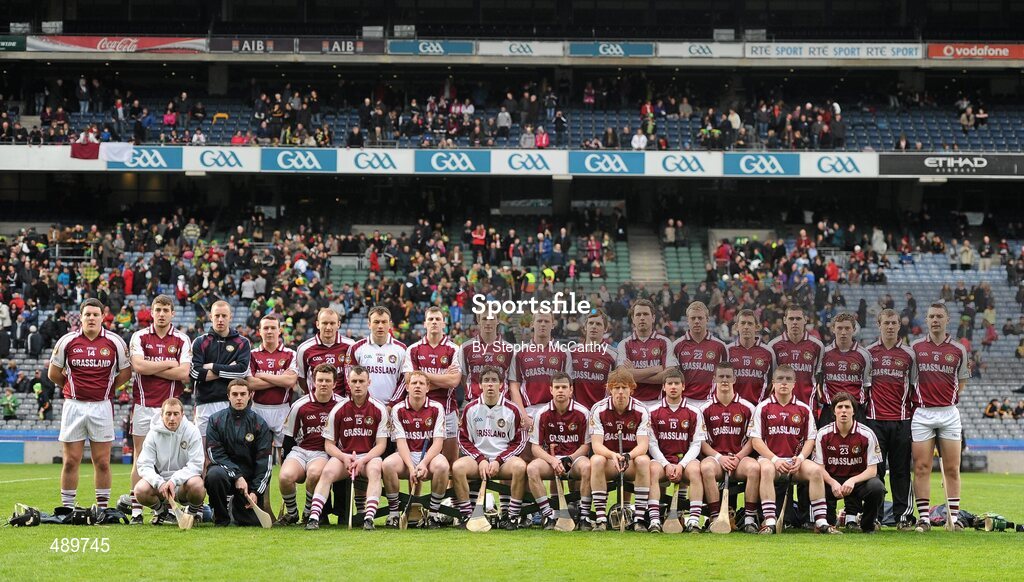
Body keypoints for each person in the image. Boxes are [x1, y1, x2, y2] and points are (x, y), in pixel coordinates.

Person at [49, 298, 132, 510]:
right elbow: (53, 373)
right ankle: (67, 508)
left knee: (102, 461)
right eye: (88, 315)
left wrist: (109, 389)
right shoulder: (67, 341)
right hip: (74, 406)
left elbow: (126, 373)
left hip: (102, 406)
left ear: (103, 317)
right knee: (70, 461)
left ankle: (102, 508)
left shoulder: (115, 342)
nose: (92, 318)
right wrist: (70, 388)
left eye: (96, 314)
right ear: (81, 317)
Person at [749, 365, 840, 534]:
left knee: (815, 471)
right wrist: (775, 460)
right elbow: (756, 441)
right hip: (771, 460)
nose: (784, 383)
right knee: (767, 469)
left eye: (788, 380)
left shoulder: (803, 409)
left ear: (794, 384)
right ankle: (769, 521)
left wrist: (801, 458)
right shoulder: (763, 407)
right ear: (773, 383)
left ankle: (821, 521)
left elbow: (810, 439)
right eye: (780, 379)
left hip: (795, 461)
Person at [126, 294, 192, 523]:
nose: (162, 314)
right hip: (144, 406)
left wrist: (151, 368)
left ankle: (169, 506)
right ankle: (136, 510)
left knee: (174, 459)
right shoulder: (140, 336)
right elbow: (138, 366)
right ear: (151, 312)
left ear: (173, 313)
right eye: (158, 310)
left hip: (171, 409)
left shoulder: (182, 339)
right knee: (140, 457)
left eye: (166, 310)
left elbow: (184, 373)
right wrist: (168, 364)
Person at [305, 366, 388, 530]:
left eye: (361, 381)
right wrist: (344, 458)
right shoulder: (338, 409)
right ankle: (314, 517)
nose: (358, 385)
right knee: (327, 472)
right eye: (354, 381)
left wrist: (363, 460)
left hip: (368, 456)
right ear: (348, 383)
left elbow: (381, 445)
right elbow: (329, 444)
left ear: (368, 382)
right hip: (345, 456)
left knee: (375, 470)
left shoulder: (379, 408)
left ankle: (368, 518)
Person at [910, 302, 969, 532]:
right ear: (926, 320)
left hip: (949, 412)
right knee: (922, 466)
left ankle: (952, 519)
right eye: (931, 316)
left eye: (939, 316)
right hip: (923, 412)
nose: (935, 320)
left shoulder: (958, 350)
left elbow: (961, 382)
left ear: (947, 320)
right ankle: (924, 519)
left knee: (953, 468)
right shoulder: (915, 348)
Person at [453, 366, 527, 530]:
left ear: (501, 385)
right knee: (458, 467)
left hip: (503, 460)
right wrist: (480, 459)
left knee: (520, 467)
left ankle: (511, 516)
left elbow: (519, 442)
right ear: (480, 385)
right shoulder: (470, 409)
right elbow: (463, 439)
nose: (490, 385)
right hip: (478, 458)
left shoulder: (512, 409)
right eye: (486, 381)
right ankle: (468, 515)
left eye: (494, 381)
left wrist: (499, 460)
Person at [865, 308, 917, 530]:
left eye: (893, 323)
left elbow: (914, 387)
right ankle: (874, 516)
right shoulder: (868, 353)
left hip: (902, 420)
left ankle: (903, 516)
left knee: (901, 469)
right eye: (886, 322)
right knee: (875, 470)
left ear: (899, 326)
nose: (890, 326)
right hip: (875, 420)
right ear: (879, 324)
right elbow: (865, 388)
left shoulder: (909, 354)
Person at [275, 364, 342, 526]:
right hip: (301, 450)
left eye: (327, 381)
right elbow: (289, 437)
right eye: (320, 380)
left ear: (334, 384)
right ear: (314, 382)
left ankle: (308, 512)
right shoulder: (300, 405)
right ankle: (292, 514)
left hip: (323, 452)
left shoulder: (341, 405)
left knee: (314, 474)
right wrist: (286, 460)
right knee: (285, 476)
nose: (323, 384)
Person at [525, 371, 592, 530]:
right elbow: (535, 447)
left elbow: (586, 446)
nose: (560, 390)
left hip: (574, 459)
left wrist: (569, 458)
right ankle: (548, 515)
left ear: (571, 390)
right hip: (551, 460)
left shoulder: (583, 413)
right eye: (557, 387)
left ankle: (584, 516)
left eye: (564, 387)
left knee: (587, 467)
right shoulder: (541, 413)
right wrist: (553, 460)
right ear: (551, 390)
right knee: (532, 468)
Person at [381, 371, 449, 528]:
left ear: (428, 388)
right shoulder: (398, 409)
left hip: (429, 456)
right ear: (407, 387)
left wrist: (424, 463)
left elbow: (438, 442)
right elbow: (401, 442)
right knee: (387, 465)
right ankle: (393, 514)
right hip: (406, 455)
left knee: (443, 466)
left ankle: (433, 514)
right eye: (414, 383)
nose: (417, 386)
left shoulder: (437, 408)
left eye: (421, 383)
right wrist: (411, 467)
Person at [588, 367, 652, 531]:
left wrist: (628, 456)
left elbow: (643, 446)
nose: (621, 392)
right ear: (609, 388)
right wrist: (613, 455)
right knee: (596, 460)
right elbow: (596, 445)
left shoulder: (642, 410)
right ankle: (601, 518)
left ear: (632, 388)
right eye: (617, 388)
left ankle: (638, 519)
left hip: (630, 461)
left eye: (624, 388)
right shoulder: (598, 409)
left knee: (644, 460)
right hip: (609, 462)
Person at [699, 363, 761, 533]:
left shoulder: (748, 407)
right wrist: (720, 457)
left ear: (734, 379)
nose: (724, 380)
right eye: (721, 377)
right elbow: (701, 441)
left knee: (754, 468)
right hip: (716, 459)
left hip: (739, 458)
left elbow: (753, 439)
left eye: (728, 377)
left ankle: (749, 518)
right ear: (714, 380)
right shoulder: (704, 409)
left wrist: (739, 457)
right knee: (705, 468)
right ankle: (714, 517)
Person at [204, 379, 273, 527]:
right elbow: (214, 454)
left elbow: (265, 463)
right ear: (228, 396)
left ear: (250, 395)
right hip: (224, 475)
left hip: (249, 483)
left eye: (243, 394)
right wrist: (236, 476)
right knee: (214, 475)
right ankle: (220, 516)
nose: (239, 398)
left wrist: (255, 492)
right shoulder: (215, 420)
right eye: (235, 394)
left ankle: (236, 506)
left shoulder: (260, 423)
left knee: (250, 523)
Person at [815, 393, 885, 532]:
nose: (843, 411)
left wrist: (852, 481)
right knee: (810, 483)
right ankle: (822, 520)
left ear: (854, 411)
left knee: (877, 487)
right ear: (834, 411)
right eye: (839, 407)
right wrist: (832, 482)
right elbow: (819, 468)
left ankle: (866, 524)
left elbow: (873, 470)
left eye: (847, 407)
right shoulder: (823, 434)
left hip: (857, 480)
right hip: (832, 480)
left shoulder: (867, 434)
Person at [647, 370, 705, 533]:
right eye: (670, 384)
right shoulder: (653, 411)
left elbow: (696, 444)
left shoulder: (694, 412)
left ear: (683, 386)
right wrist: (666, 464)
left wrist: (682, 464)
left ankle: (693, 520)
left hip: (685, 461)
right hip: (661, 461)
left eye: (677, 383)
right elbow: (652, 444)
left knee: (695, 470)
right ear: (663, 387)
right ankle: (655, 520)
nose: (673, 387)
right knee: (652, 470)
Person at [402, 306, 462, 463]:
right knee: (416, 458)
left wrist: (421, 376)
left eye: (438, 319)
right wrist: (443, 376)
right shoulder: (413, 349)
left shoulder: (454, 349)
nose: (434, 322)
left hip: (448, 410)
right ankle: (414, 489)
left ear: (444, 323)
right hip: (419, 410)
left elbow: (454, 381)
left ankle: (448, 490)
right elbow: (409, 380)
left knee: (450, 461)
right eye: (431, 319)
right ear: (424, 323)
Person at [133, 398, 206, 525]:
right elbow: (144, 465)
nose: (172, 418)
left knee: (198, 486)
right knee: (140, 490)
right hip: (162, 485)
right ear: (162, 415)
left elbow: (196, 464)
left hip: (183, 484)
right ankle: (163, 513)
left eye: (176, 414)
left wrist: (174, 480)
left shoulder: (192, 431)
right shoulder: (153, 433)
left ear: (182, 415)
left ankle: (191, 514)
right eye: (168, 414)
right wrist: (159, 483)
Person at [190, 300, 251, 450]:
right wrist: (228, 370)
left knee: (231, 451)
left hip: (229, 402)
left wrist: (212, 366)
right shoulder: (199, 342)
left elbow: (242, 371)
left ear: (231, 317)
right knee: (203, 453)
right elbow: (195, 372)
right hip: (205, 403)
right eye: (217, 315)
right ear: (210, 316)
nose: (220, 319)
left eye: (224, 315)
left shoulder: (242, 343)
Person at [247, 315, 299, 460]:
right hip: (258, 408)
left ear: (280, 330)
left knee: (286, 457)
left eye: (273, 328)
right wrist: (280, 379)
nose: (269, 331)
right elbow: (250, 384)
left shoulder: (290, 354)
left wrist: (261, 374)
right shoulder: (251, 355)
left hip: (282, 409)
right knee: (258, 456)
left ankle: (287, 482)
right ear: (260, 331)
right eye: (266, 328)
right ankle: (262, 484)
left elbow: (290, 382)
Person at [509, 310, 569, 428]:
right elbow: (514, 387)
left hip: (555, 410)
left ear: (552, 325)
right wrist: (523, 415)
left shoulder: (563, 353)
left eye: (546, 321)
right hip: (528, 411)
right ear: (532, 324)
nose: (542, 324)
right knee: (526, 446)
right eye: (539, 321)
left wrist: (561, 412)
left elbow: (568, 387)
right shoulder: (519, 353)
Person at [615, 299, 676, 409]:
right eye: (638, 315)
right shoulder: (624, 344)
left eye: (646, 314)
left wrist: (634, 373)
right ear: (633, 319)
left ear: (653, 318)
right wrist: (654, 369)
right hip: (632, 404)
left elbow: (669, 376)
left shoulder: (665, 342)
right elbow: (622, 376)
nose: (642, 317)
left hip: (659, 404)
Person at [817, 313, 872, 426]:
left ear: (854, 329)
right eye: (839, 328)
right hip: (830, 410)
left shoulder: (864, 354)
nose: (843, 332)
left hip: (855, 410)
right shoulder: (823, 354)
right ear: (833, 329)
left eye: (847, 328)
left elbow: (866, 385)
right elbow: (818, 382)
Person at [348, 306, 407, 406]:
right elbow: (348, 378)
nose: (380, 326)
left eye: (384, 322)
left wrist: (392, 405)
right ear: (369, 324)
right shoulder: (356, 348)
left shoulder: (402, 349)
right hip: (363, 406)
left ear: (390, 324)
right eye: (376, 322)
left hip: (391, 408)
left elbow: (404, 381)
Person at [767, 305, 824, 408]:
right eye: (791, 318)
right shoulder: (773, 346)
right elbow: (770, 380)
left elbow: (819, 378)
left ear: (805, 320)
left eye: (798, 318)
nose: (794, 322)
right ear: (784, 320)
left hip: (808, 405)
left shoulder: (817, 346)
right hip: (781, 406)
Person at [672, 301, 728, 403]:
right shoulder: (677, 345)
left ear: (707, 319)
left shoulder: (720, 346)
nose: (696, 321)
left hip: (711, 402)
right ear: (687, 320)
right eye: (693, 318)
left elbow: (727, 377)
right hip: (684, 401)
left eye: (700, 318)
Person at [296, 308, 355, 397]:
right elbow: (302, 379)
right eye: (324, 323)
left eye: (332, 323)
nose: (328, 327)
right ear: (317, 324)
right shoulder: (304, 349)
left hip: (342, 402)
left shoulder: (350, 346)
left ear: (338, 324)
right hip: (317, 403)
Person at [459, 312, 514, 404]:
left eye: (492, 319)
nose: (488, 322)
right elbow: (464, 378)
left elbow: (512, 381)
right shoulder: (465, 347)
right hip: (474, 404)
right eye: (484, 319)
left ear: (497, 321)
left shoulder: (509, 349)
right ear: (478, 320)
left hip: (502, 405)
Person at [567, 309, 616, 410]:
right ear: (585, 327)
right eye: (591, 323)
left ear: (605, 329)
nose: (594, 326)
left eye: (598, 324)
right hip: (576, 412)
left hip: (601, 412)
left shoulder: (613, 354)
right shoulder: (571, 351)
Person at [726, 309, 775, 404]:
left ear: (757, 327)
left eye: (750, 324)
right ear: (736, 327)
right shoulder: (727, 351)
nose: (746, 327)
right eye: (743, 323)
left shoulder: (768, 352)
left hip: (758, 409)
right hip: (733, 409)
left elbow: (771, 384)